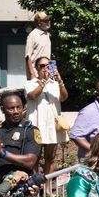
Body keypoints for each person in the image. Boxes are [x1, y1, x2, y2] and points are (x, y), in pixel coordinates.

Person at [25, 55, 69, 186]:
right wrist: (44, 81)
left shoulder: (55, 84)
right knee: (35, 158)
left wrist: (60, 81)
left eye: (48, 65)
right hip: (36, 125)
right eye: (42, 66)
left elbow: (64, 97)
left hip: (51, 125)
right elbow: (33, 96)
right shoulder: (30, 83)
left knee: (50, 158)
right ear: (37, 68)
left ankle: (48, 188)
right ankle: (35, 187)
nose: (45, 68)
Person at [24, 12, 53, 80]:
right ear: (39, 22)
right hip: (36, 74)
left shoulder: (47, 34)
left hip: (47, 73)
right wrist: (32, 73)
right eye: (45, 20)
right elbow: (27, 56)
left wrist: (52, 72)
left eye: (49, 20)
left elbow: (48, 55)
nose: (48, 22)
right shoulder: (33, 35)